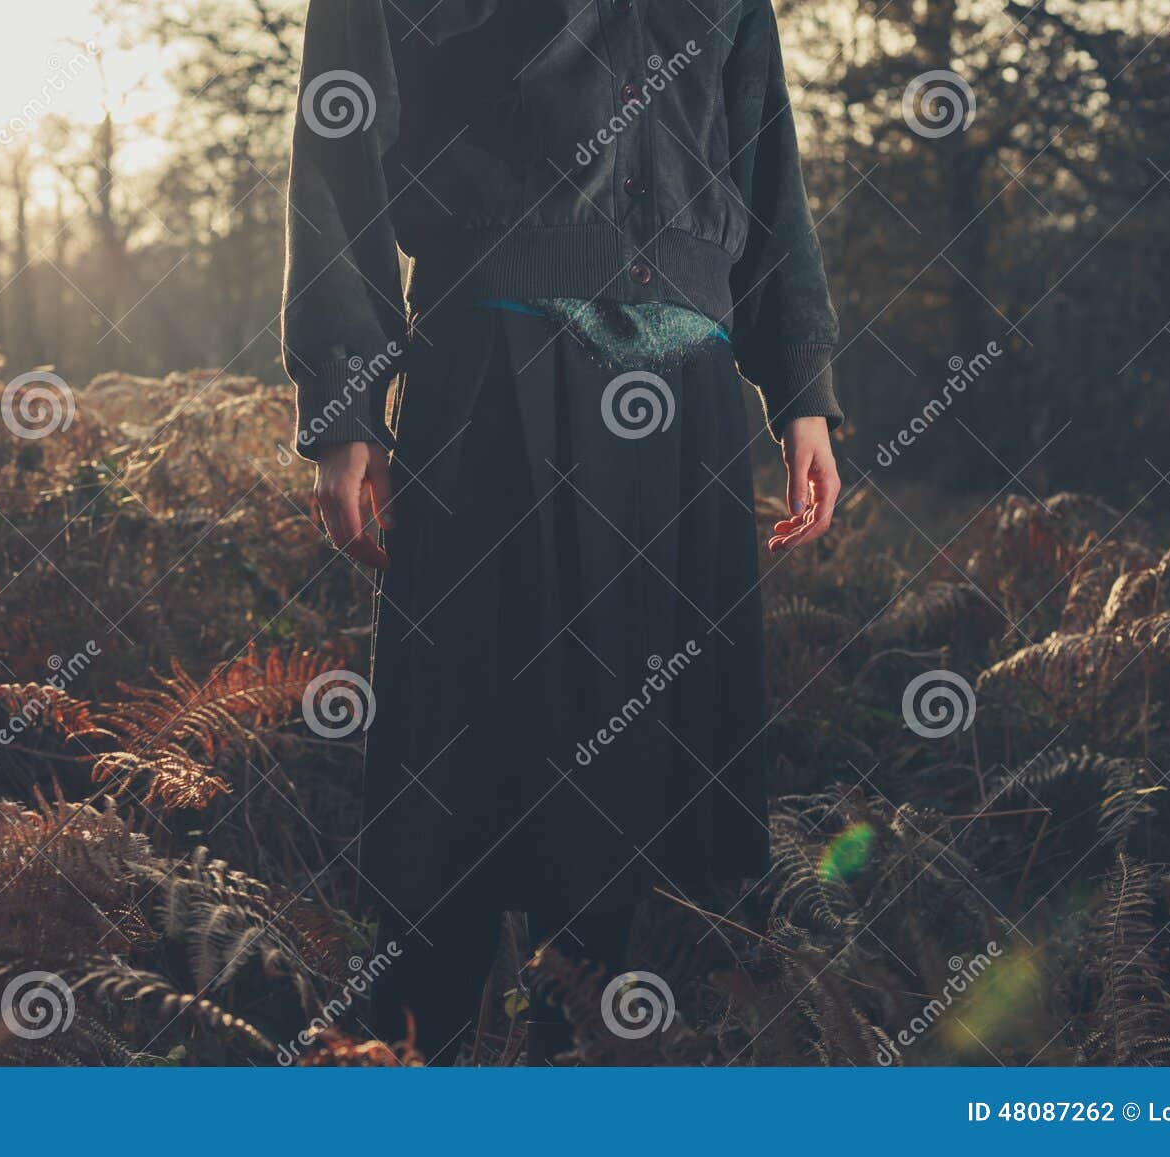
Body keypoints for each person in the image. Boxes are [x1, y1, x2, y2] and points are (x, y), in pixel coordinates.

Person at [281, 0, 842, 1064]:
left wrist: (800, 389)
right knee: (461, 764)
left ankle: (581, 1075)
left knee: (634, 794)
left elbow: (766, 153)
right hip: (494, 373)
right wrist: (345, 404)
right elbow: (338, 152)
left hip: (688, 395)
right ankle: (408, 1075)